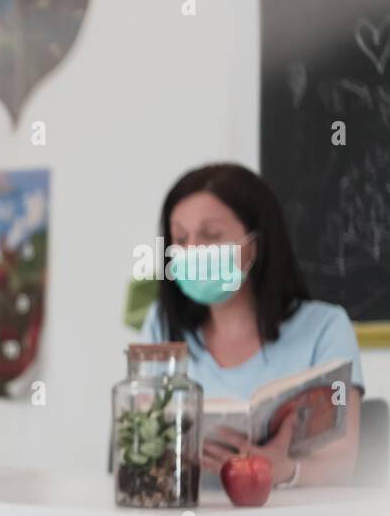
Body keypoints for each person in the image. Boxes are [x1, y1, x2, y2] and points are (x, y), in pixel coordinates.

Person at [140, 163, 363, 486]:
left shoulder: (326, 328)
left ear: (255, 245)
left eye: (211, 235)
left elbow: (341, 461)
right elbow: (137, 440)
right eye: (181, 238)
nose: (192, 252)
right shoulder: (162, 325)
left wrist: (281, 469)